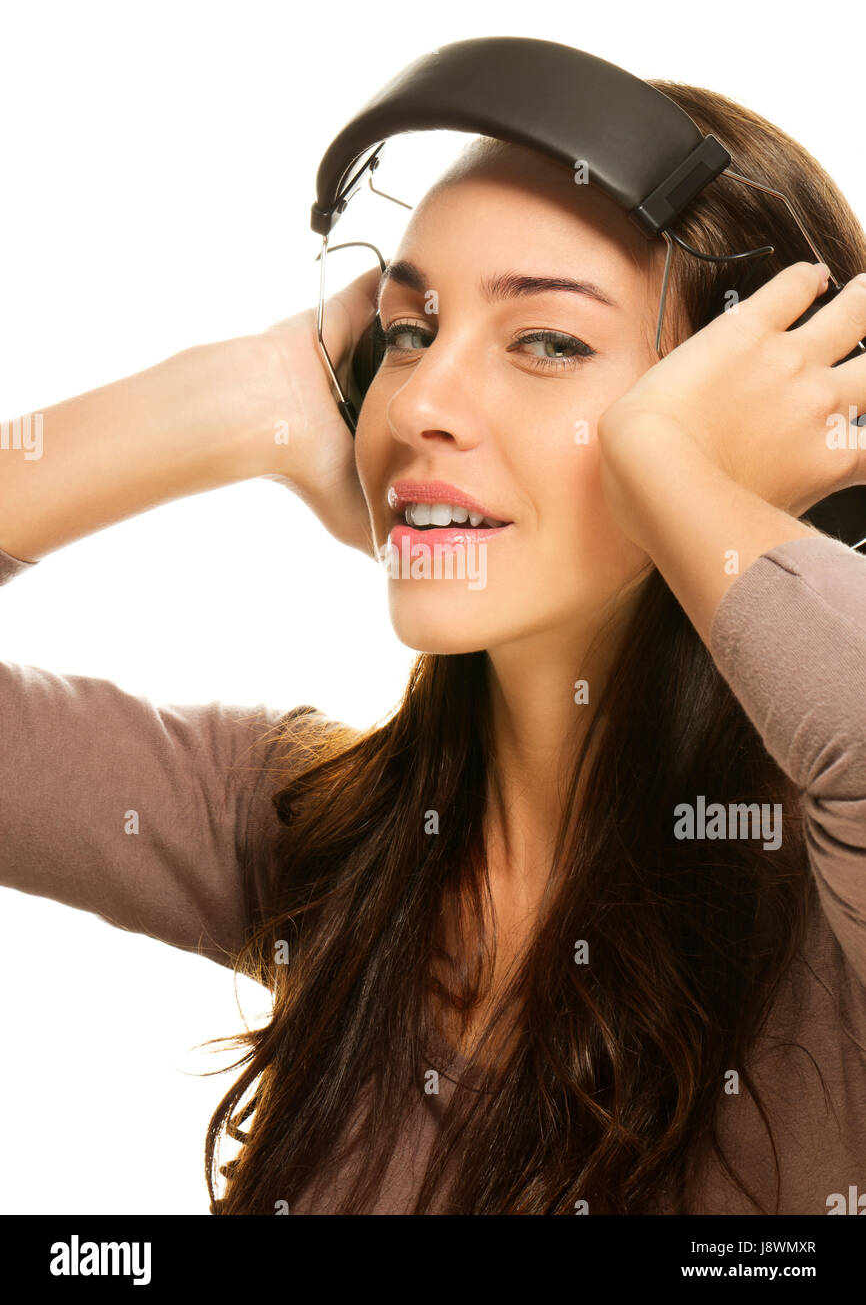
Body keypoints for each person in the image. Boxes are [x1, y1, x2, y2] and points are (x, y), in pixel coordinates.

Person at [2, 79, 865, 1216]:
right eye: (405, 335)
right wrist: (245, 396)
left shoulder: (825, 922)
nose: (419, 404)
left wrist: (675, 476)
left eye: (547, 340)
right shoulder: (316, 831)